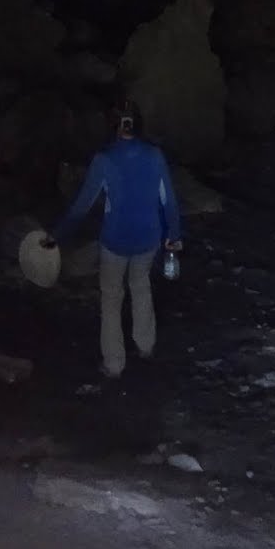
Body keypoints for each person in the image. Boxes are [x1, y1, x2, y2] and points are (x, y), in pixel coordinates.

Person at [43, 102, 183, 378]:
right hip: (147, 237)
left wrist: (56, 236)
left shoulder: (104, 159)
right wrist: (174, 236)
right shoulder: (154, 155)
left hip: (115, 240)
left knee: (111, 298)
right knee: (141, 286)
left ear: (115, 127)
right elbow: (169, 200)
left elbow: (83, 205)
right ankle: (145, 345)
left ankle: (114, 363)